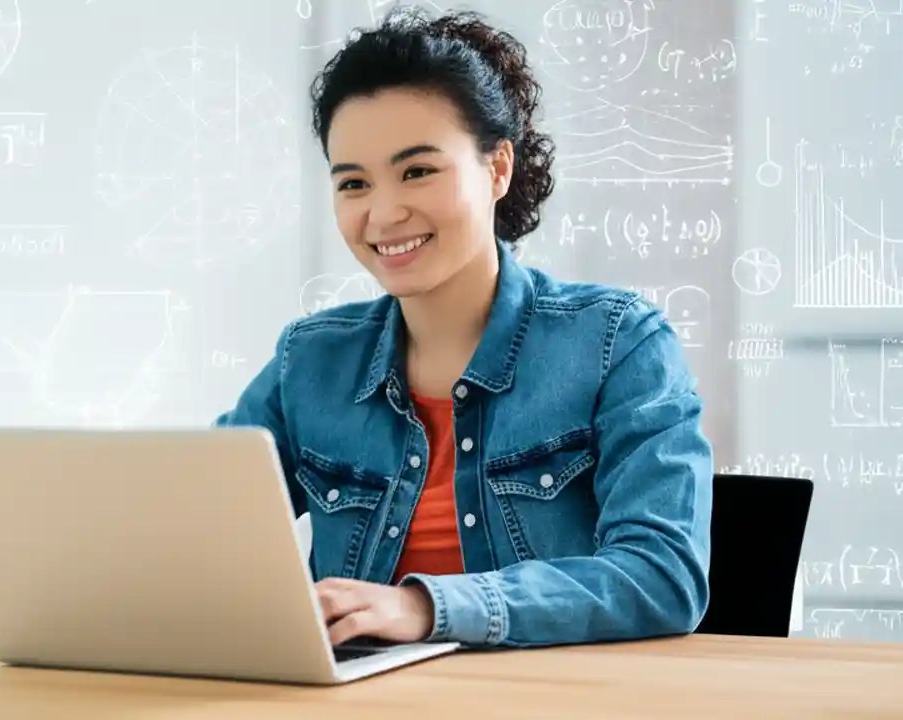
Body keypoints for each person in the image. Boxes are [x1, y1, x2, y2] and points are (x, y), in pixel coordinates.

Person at [214, 6, 713, 649]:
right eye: (354, 183)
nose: (384, 212)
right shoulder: (308, 361)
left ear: (498, 168)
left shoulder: (618, 342)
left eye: (417, 170)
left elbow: (662, 579)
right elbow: (201, 530)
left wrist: (428, 608)